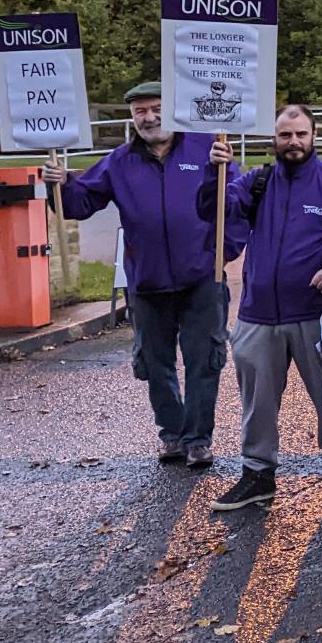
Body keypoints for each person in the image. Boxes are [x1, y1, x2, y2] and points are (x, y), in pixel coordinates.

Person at [44, 80, 226, 468]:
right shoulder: (119, 161)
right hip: (147, 282)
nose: (149, 117)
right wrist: (62, 185)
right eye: (140, 111)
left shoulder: (207, 149)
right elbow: (79, 204)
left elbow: (236, 200)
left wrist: (225, 253)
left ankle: (198, 439)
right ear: (132, 116)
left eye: (157, 108)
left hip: (201, 279)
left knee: (203, 361)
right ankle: (172, 435)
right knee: (154, 364)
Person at [206, 105, 322, 513]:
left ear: (314, 136)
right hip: (258, 315)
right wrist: (215, 174)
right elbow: (213, 210)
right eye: (285, 135)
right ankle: (257, 475)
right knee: (257, 402)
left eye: (301, 134)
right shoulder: (258, 181)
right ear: (273, 138)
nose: (293, 142)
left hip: (317, 312)